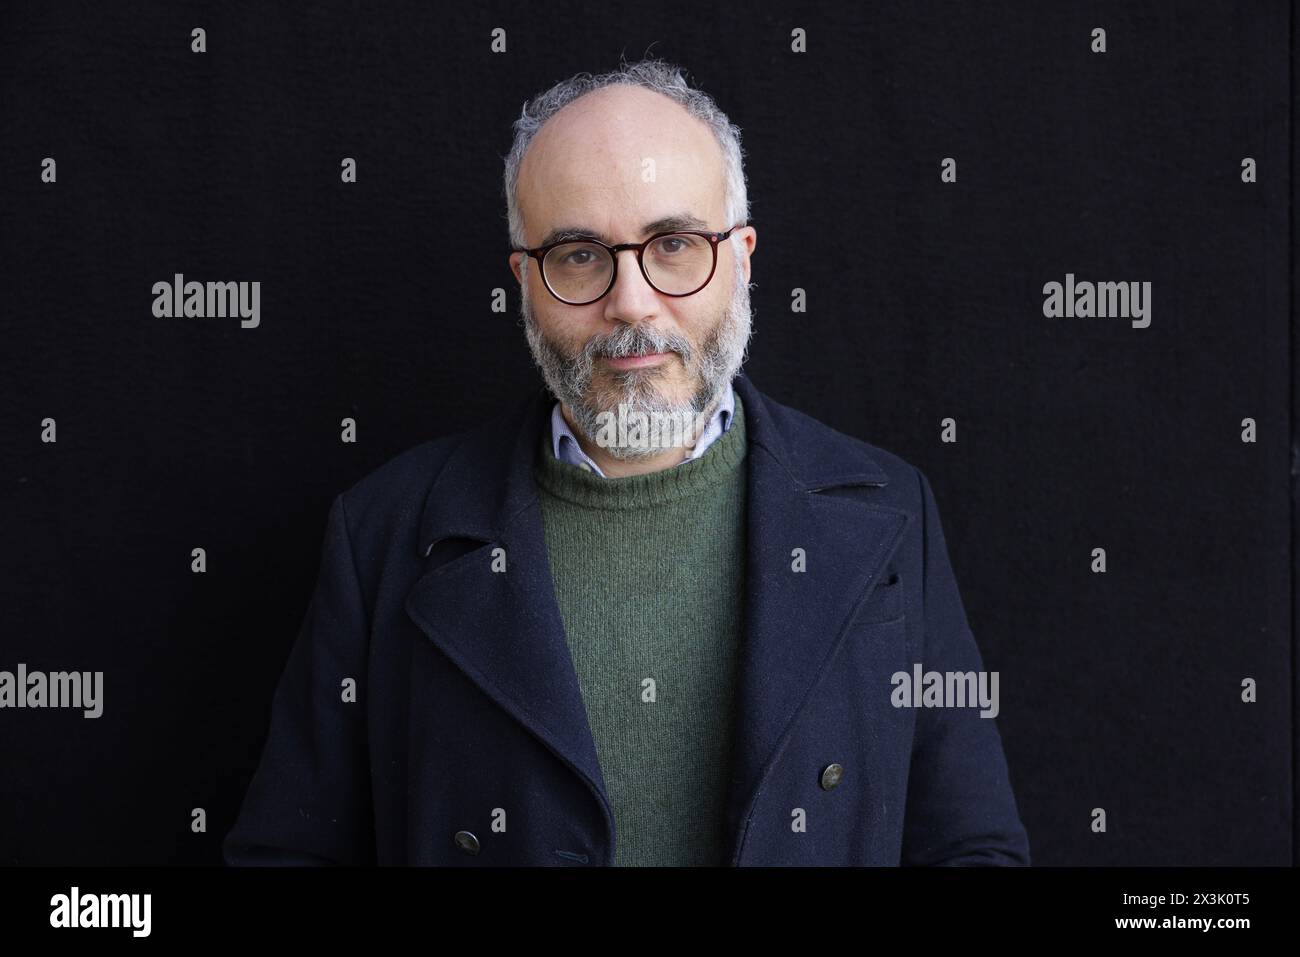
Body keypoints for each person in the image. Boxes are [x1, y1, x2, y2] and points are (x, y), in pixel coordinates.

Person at [223, 56, 1029, 866]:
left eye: (674, 244)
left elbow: (972, 846)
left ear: (742, 257)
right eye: (579, 254)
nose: (632, 301)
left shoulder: (890, 513)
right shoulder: (382, 534)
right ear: (523, 281)